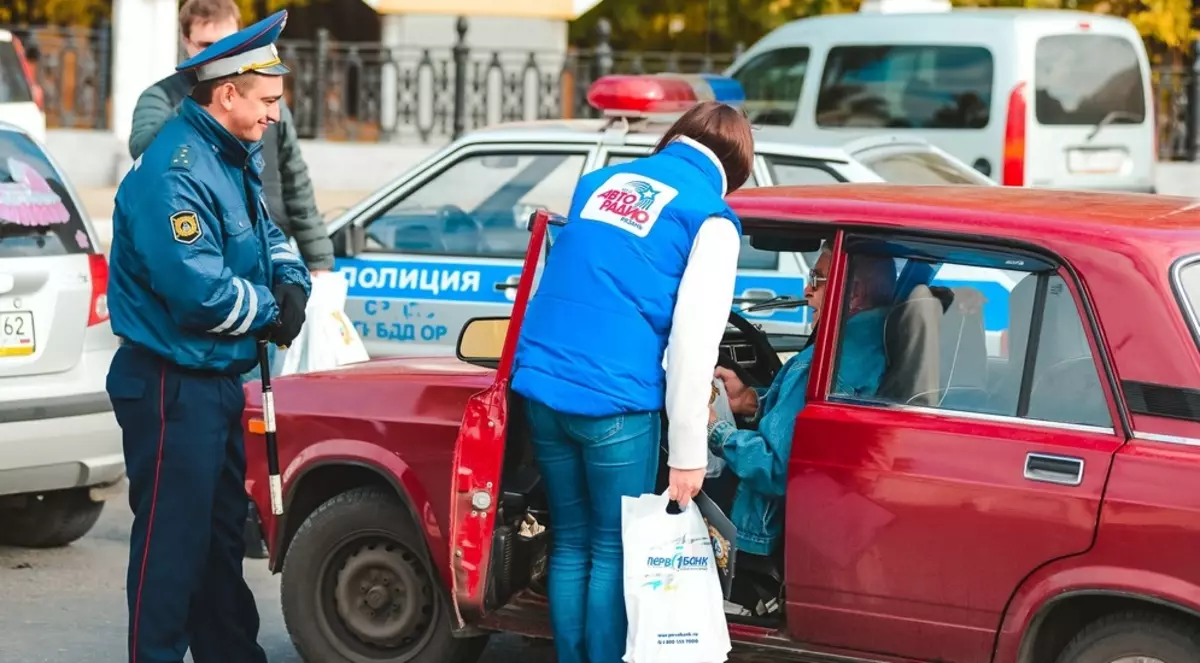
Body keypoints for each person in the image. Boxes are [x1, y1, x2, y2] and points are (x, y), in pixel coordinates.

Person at [510, 101, 755, 663]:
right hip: (617, 404)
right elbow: (693, 345)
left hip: (544, 388)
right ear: (734, 169)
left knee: (570, 541)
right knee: (613, 548)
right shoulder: (710, 216)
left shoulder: (598, 183)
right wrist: (690, 454)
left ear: (676, 138)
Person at [104, 11, 310, 662]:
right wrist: (268, 310)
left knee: (220, 537)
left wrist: (291, 279)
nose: (276, 116)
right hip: (172, 385)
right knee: (173, 545)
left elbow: (266, 231)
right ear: (227, 93)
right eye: (269, 101)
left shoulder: (231, 154)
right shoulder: (177, 169)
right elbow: (198, 295)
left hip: (213, 380)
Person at [708, 246, 895, 558]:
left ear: (854, 293)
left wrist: (715, 430)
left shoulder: (824, 366)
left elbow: (777, 468)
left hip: (764, 527)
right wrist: (750, 400)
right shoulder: (875, 345)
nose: (807, 290)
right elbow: (796, 421)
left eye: (816, 279)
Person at [128, 0, 334, 276]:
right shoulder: (162, 97)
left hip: (268, 249)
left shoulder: (266, 100)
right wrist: (200, 99)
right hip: (197, 254)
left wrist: (319, 261)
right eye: (205, 45)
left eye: (227, 43)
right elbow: (143, 152)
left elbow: (296, 181)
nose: (217, 55)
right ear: (186, 41)